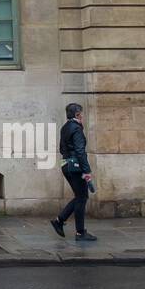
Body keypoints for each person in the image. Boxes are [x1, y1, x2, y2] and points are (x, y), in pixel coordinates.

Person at [51, 102, 96, 242]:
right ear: (77, 114)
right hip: (75, 167)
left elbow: (62, 148)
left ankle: (59, 221)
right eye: (81, 114)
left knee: (79, 196)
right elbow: (80, 151)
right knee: (82, 197)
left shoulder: (65, 127)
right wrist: (86, 170)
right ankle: (80, 233)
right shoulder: (76, 129)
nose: (83, 116)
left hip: (66, 165)